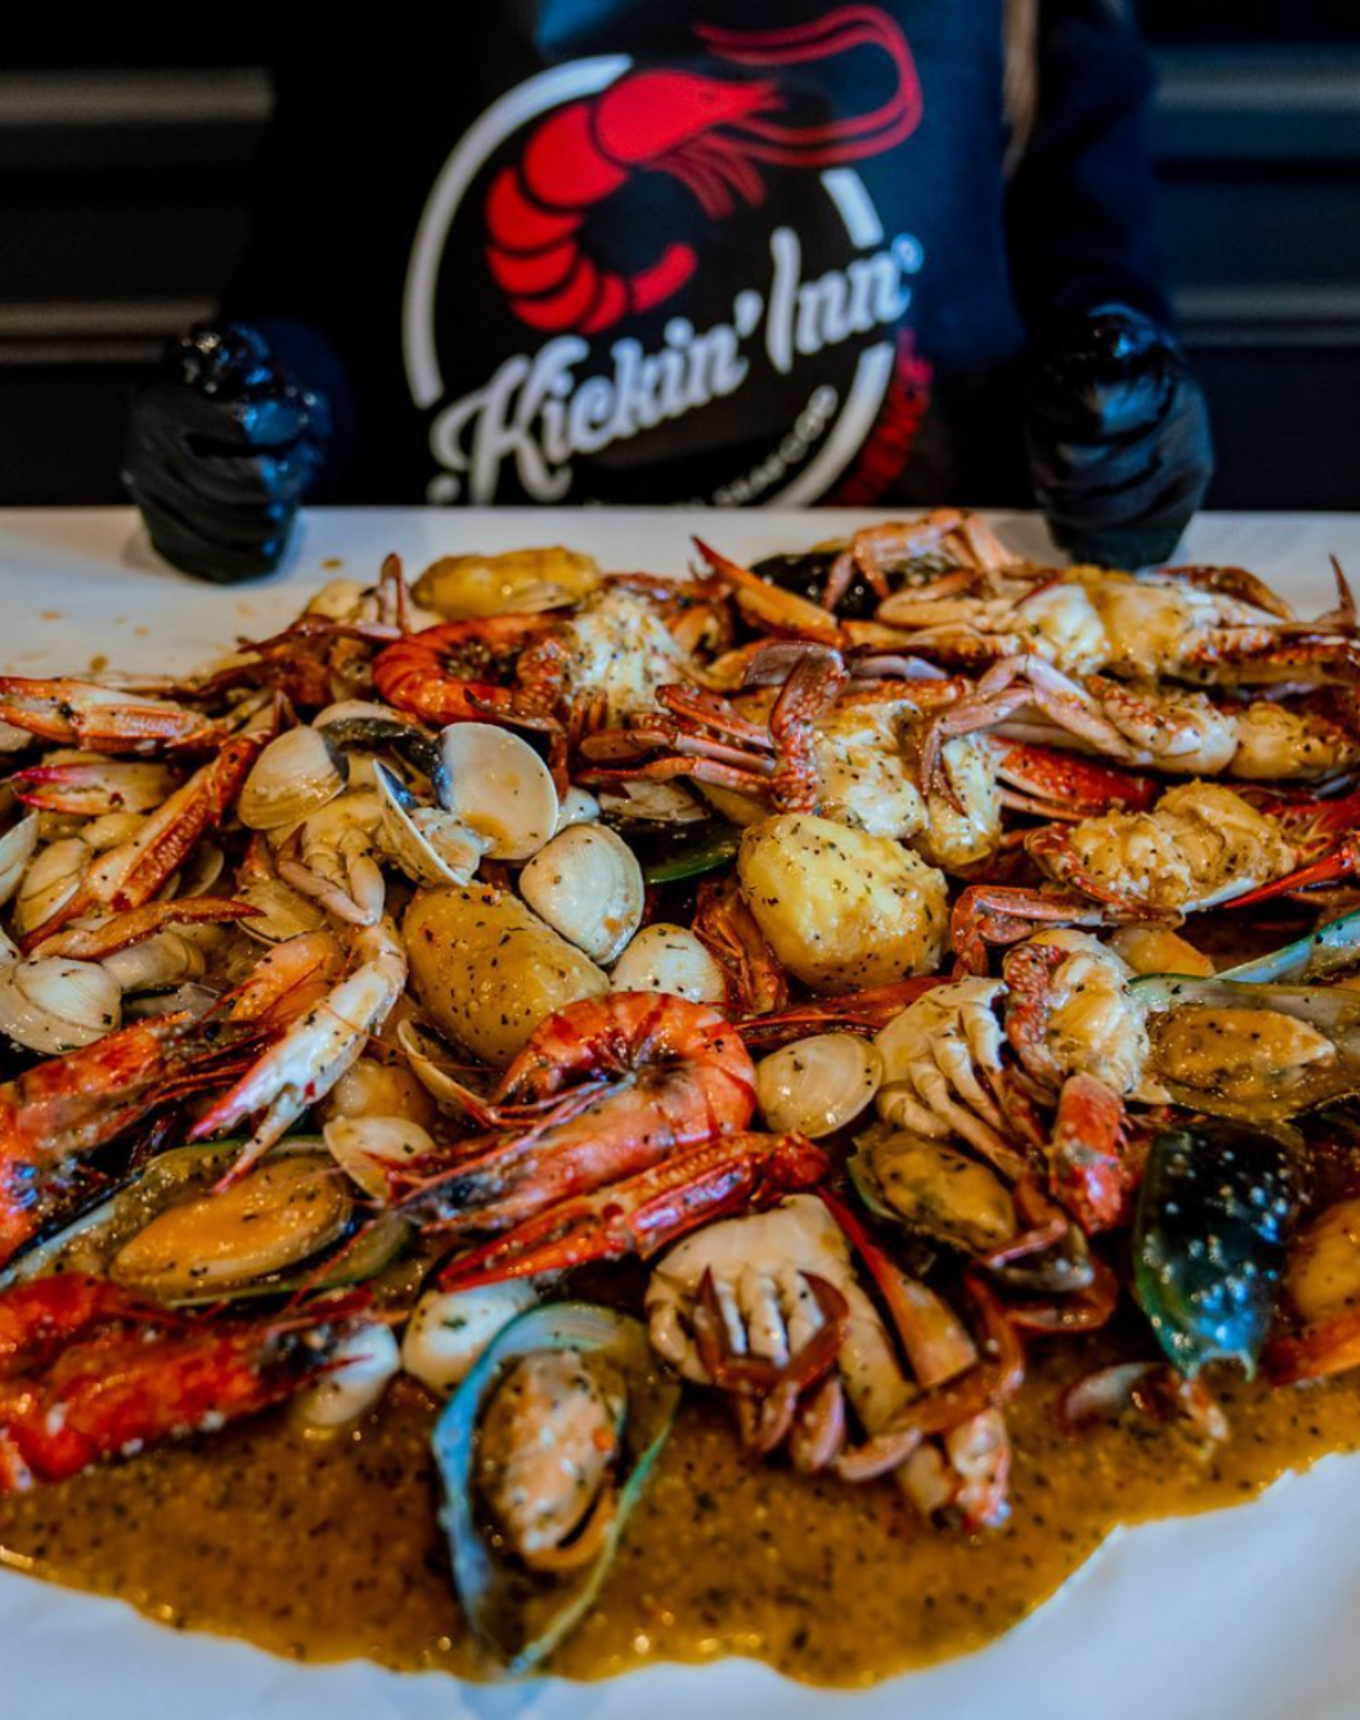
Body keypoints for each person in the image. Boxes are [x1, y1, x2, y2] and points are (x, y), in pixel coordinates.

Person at [122, 0, 1213, 583]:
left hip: (913, 627)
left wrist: (1120, 408)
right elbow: (307, 289)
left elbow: (1092, 271)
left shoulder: (1047, 18)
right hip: (474, 622)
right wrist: (259, 416)